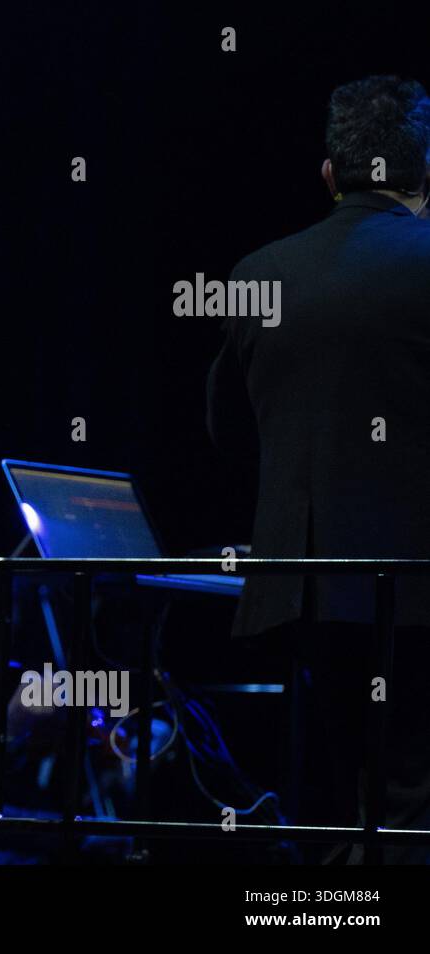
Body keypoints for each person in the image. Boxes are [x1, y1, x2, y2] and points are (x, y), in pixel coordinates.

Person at [207, 75, 430, 862]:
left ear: (330, 175)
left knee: (346, 799)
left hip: (307, 588)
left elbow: (227, 435)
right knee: (410, 805)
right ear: (426, 174)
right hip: (419, 592)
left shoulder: (258, 273)